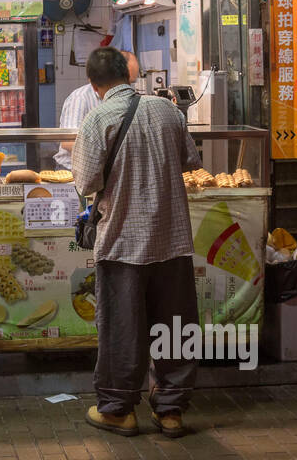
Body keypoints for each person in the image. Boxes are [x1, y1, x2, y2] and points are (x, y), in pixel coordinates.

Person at [72, 47, 202, 439]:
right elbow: (190, 161)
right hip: (172, 239)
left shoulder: (97, 120)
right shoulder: (167, 111)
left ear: (94, 86)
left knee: (122, 328)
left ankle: (117, 409)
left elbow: (86, 182)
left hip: (122, 242)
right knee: (175, 324)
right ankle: (171, 410)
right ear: (129, 76)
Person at [54, 48, 137, 170]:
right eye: (126, 82)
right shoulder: (80, 98)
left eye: (131, 83)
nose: (126, 88)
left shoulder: (131, 100)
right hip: (72, 170)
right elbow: (67, 142)